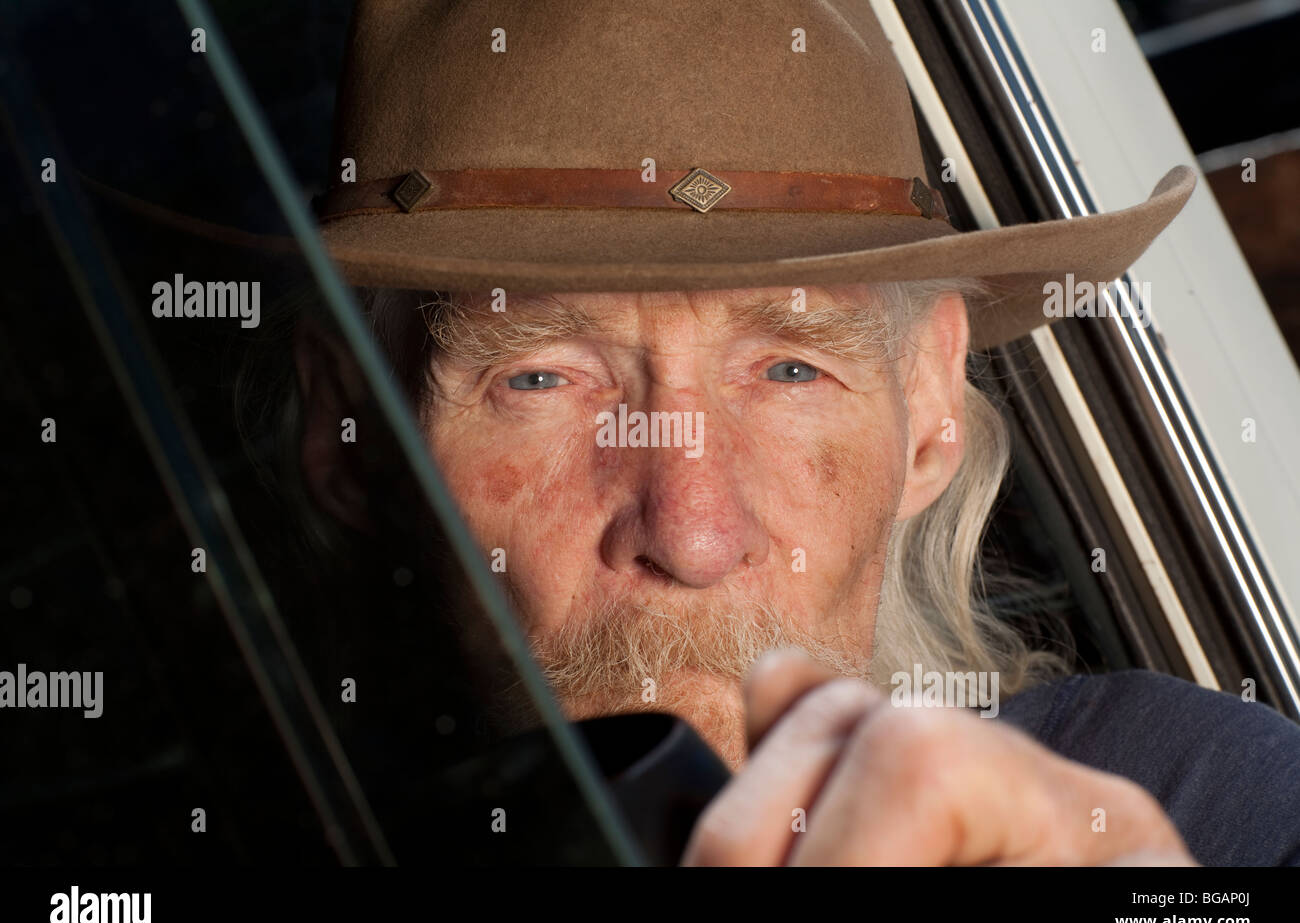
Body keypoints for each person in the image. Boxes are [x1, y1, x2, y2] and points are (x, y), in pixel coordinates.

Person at [267, 0, 1300, 865]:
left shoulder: (1201, 806)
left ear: (929, 412)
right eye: (541, 376)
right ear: (345, 433)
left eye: (792, 368)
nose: (692, 532)